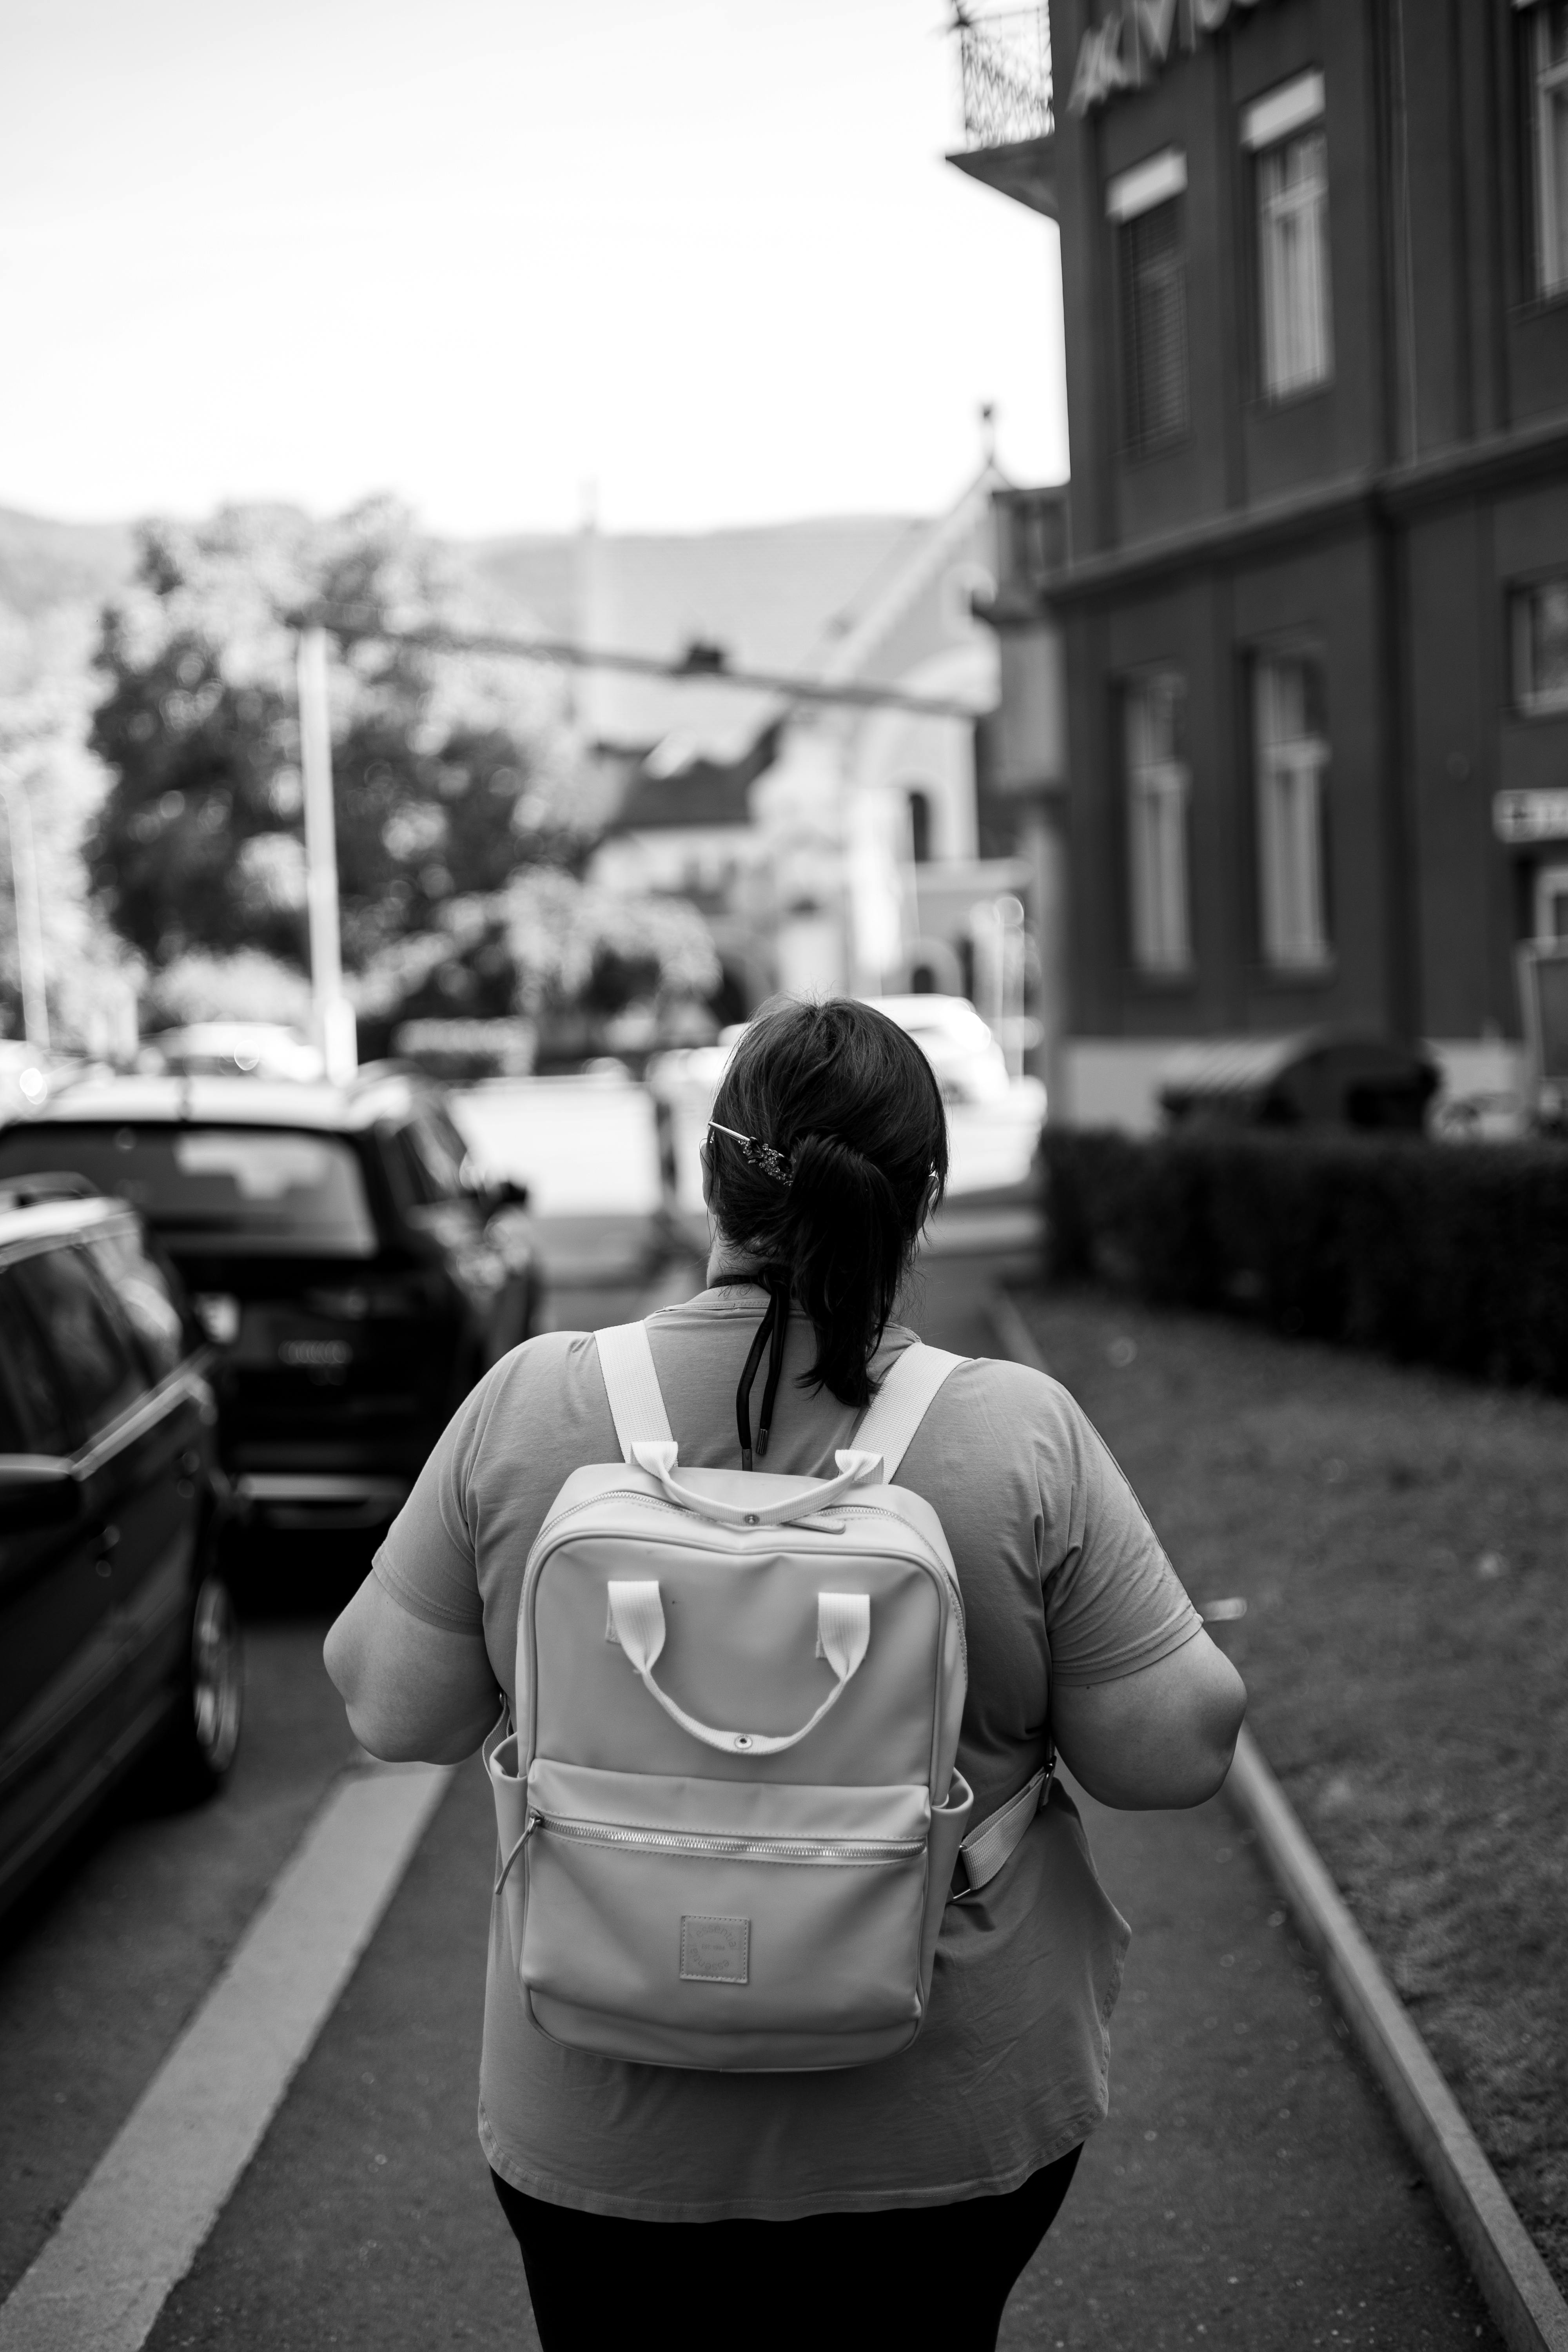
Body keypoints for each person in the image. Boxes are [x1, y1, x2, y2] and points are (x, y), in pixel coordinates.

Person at [325, 995, 1246, 2352]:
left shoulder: (532, 1405)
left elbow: (390, 1705)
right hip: (944, 2124)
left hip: (603, 2130)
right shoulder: (1013, 1433)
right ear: (922, 1196)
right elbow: (1173, 1754)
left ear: (709, 1173)